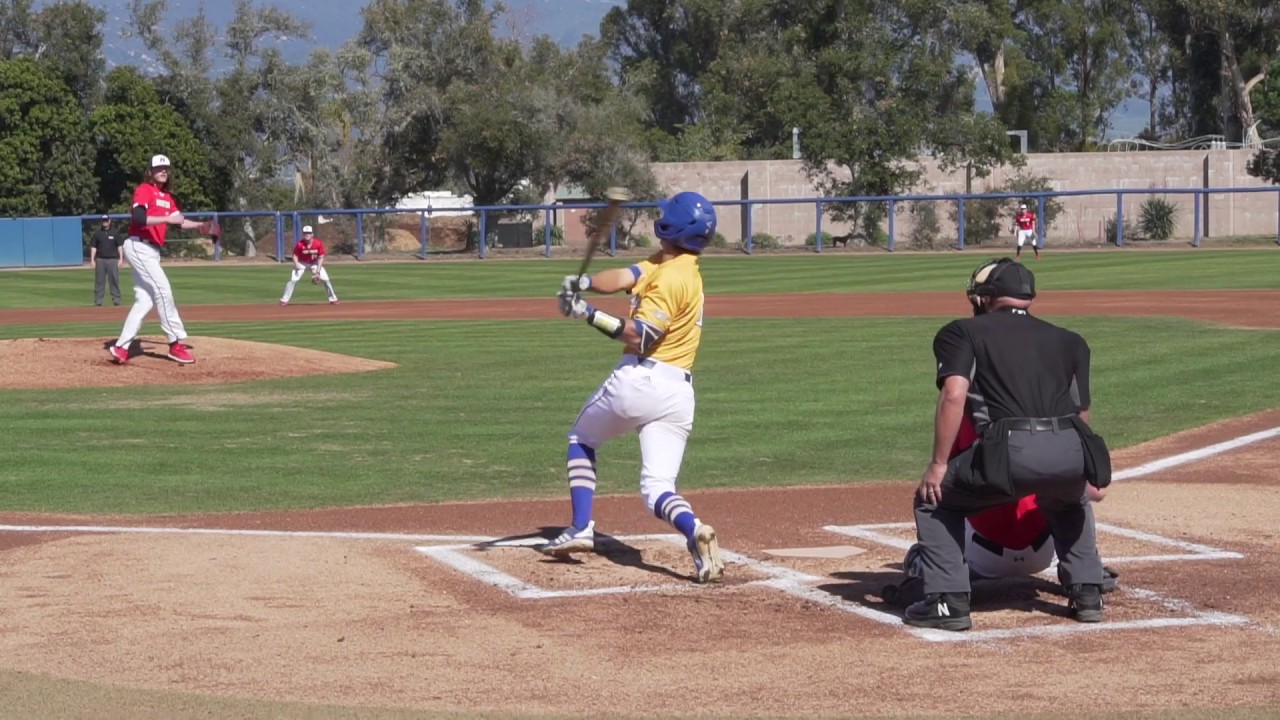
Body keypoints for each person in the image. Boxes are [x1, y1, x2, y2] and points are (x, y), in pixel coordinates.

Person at [905, 257, 1112, 631]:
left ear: (986, 298)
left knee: (933, 500)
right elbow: (1081, 411)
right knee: (1068, 500)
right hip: (1070, 446)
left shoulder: (962, 332)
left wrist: (938, 464)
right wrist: (1084, 470)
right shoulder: (1071, 340)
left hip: (1009, 448)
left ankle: (948, 601)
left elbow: (954, 395)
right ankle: (1087, 592)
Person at [542, 191, 724, 584]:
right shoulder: (676, 264)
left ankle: (580, 527)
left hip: (642, 379)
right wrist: (585, 282)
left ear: (670, 227)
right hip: (678, 394)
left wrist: (586, 313)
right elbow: (626, 277)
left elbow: (639, 336)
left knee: (581, 438)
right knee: (658, 486)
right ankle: (695, 530)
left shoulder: (671, 281)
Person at [880, 415, 1120, 607]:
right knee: (1071, 492)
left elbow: (946, 489)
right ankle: (1084, 573)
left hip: (982, 559)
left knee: (936, 505)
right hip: (1046, 551)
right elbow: (1097, 491)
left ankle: (942, 588)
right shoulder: (1050, 412)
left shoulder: (966, 416)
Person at [107, 154, 205, 365]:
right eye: (159, 168)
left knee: (145, 300)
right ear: (150, 171)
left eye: (166, 168)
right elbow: (139, 219)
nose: (163, 171)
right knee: (163, 291)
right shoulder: (144, 190)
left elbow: (179, 221)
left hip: (151, 251)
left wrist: (200, 226)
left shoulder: (167, 198)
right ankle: (175, 343)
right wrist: (167, 218)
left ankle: (121, 347)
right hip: (138, 245)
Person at [279, 225, 338, 305]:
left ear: (312, 234)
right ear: (303, 234)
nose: (307, 234)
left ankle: (333, 299)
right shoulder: (300, 244)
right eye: (305, 233)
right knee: (293, 280)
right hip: (302, 263)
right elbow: (295, 255)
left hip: (314, 263)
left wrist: (317, 272)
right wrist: (296, 264)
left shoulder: (318, 243)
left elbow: (321, 257)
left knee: (326, 279)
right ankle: (284, 300)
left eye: (309, 233)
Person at [89, 215, 126, 306]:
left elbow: (120, 246)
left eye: (106, 220)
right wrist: (92, 260)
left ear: (109, 221)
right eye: (103, 220)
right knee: (99, 281)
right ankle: (98, 301)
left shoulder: (115, 232)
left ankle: (116, 300)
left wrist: (121, 259)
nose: (104, 222)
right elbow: (93, 247)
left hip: (113, 260)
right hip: (100, 259)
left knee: (114, 280)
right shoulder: (98, 233)